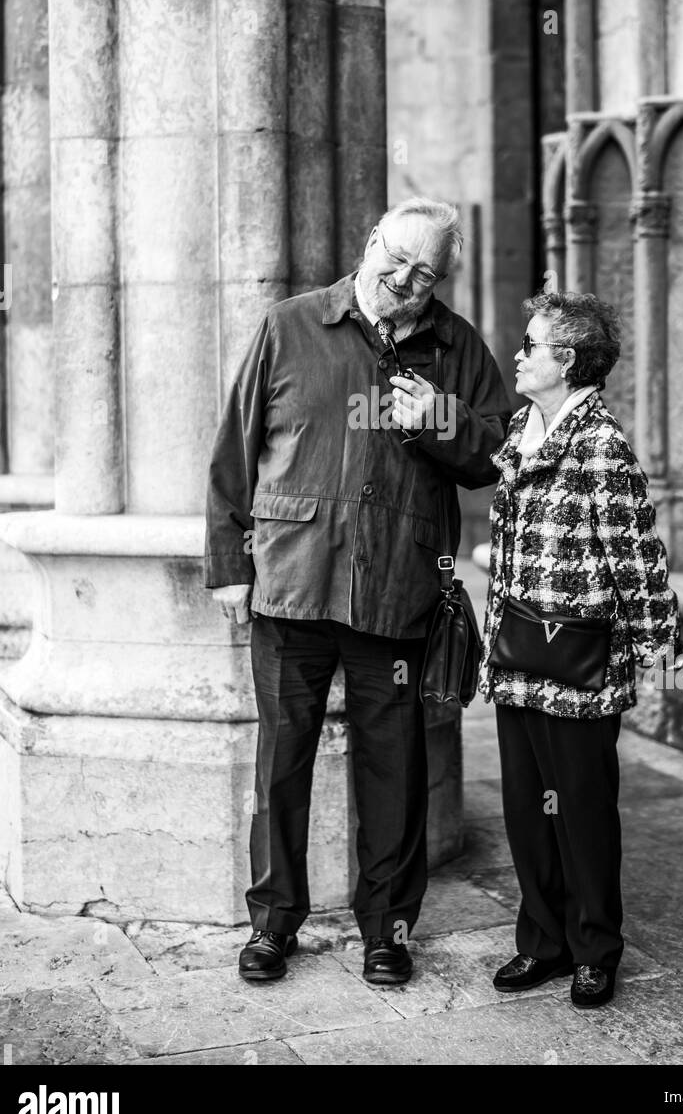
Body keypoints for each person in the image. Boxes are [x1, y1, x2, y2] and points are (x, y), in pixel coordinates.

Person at [205, 197, 511, 986]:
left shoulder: (457, 345)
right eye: (395, 258)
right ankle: (274, 925)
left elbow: (497, 457)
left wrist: (440, 418)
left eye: (424, 272)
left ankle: (388, 929)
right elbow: (233, 452)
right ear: (369, 240)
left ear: (440, 279)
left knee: (394, 772)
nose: (405, 279)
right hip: (291, 585)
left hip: (396, 591)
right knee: (281, 767)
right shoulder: (289, 325)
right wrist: (229, 567)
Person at [478, 290, 683, 1007]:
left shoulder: (600, 443)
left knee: (583, 811)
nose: (519, 353)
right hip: (515, 652)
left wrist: (656, 637)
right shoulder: (522, 426)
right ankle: (543, 943)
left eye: (531, 344)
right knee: (528, 811)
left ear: (565, 360)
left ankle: (595, 948)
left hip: (579, 660)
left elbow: (634, 552)